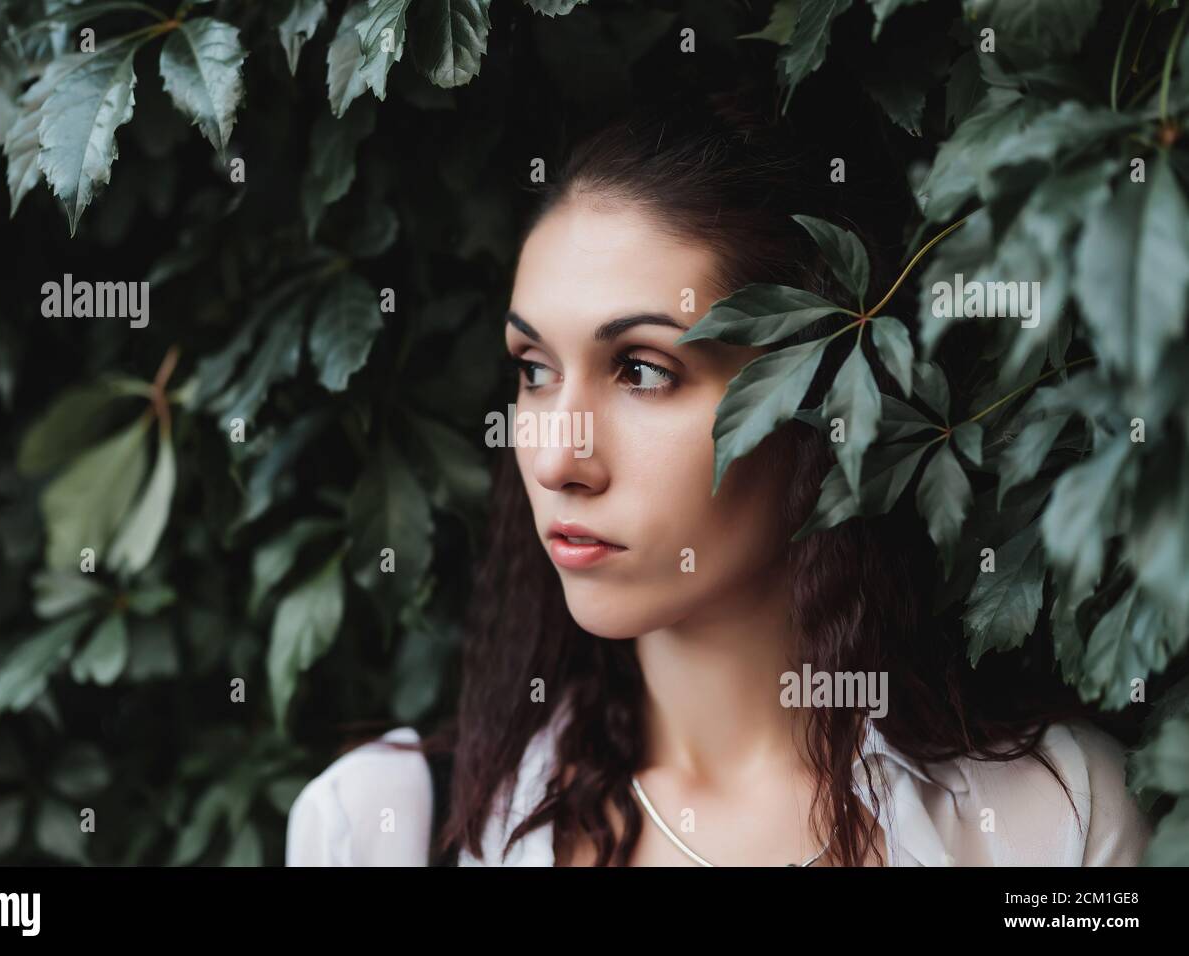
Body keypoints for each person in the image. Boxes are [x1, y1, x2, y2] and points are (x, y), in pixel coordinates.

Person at [286, 91, 1152, 867]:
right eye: (534, 370)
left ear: (818, 399)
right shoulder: (382, 829)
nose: (556, 459)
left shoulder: (1056, 822)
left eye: (644, 371)